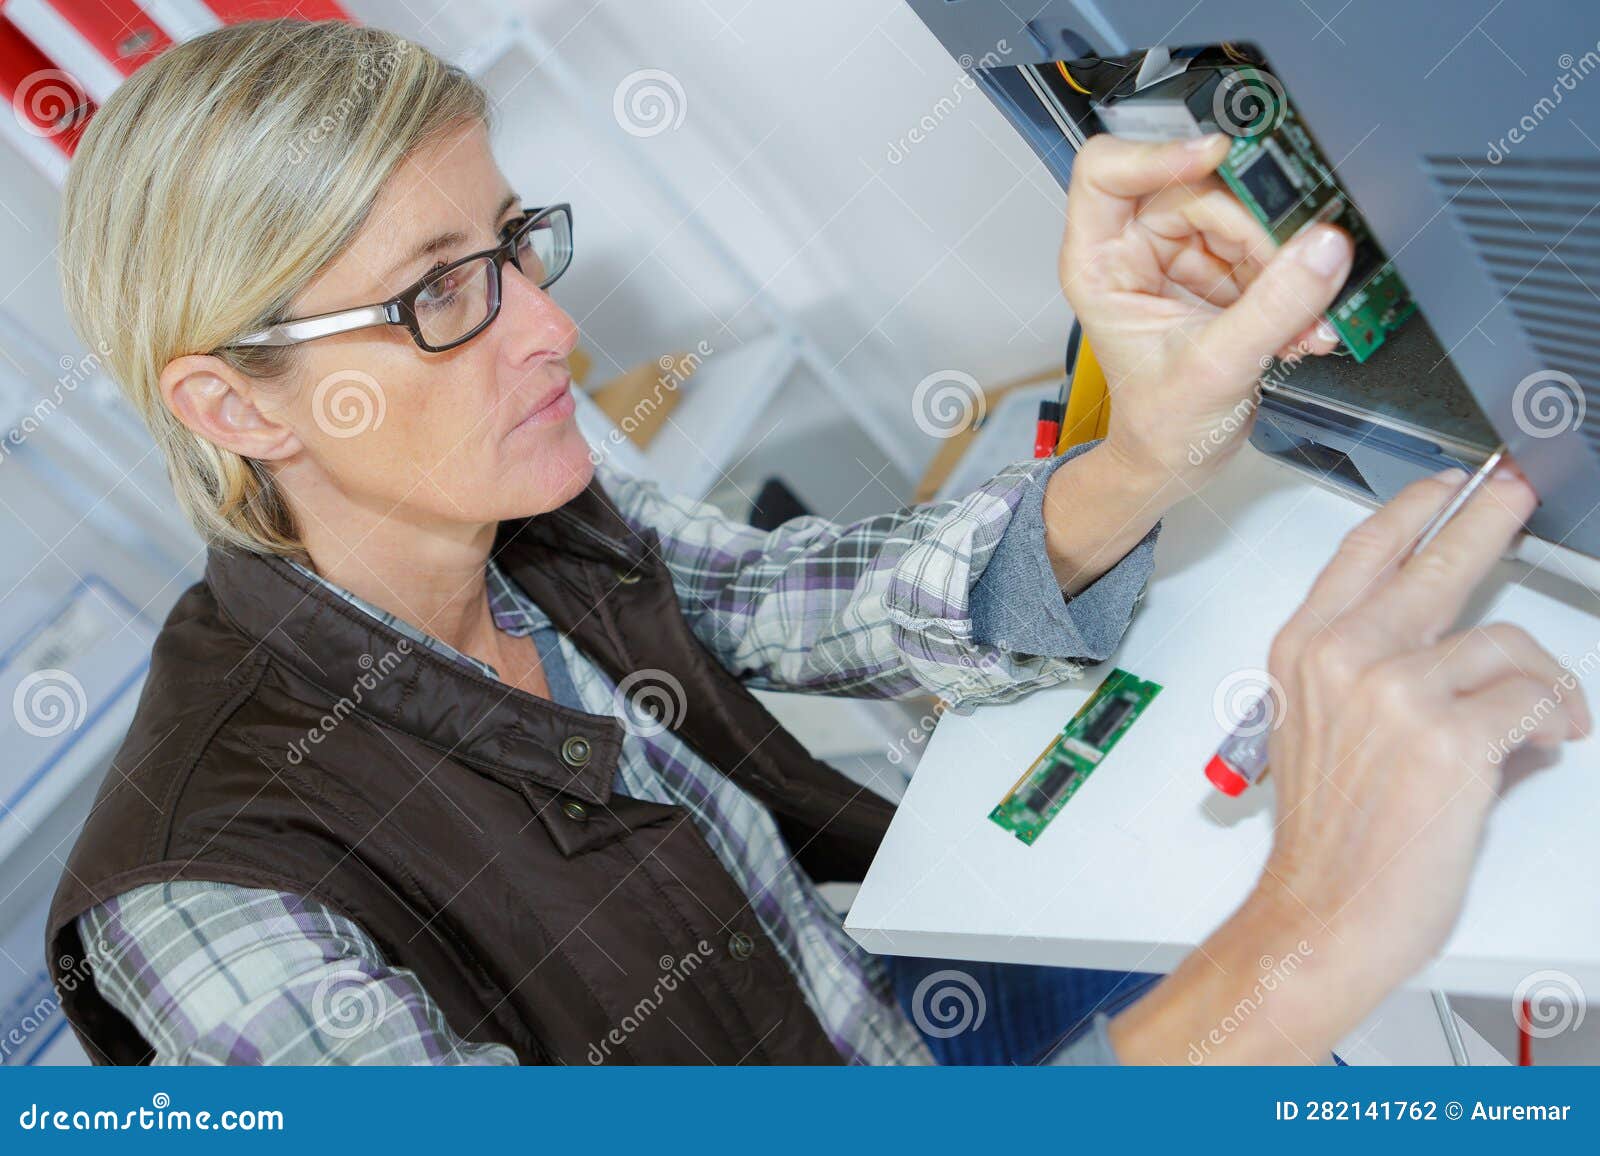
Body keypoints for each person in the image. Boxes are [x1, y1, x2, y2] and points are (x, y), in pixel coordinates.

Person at [45, 20, 1583, 1067]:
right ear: (234, 408)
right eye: (443, 294)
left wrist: (1144, 453)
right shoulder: (215, 902)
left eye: (517, 246)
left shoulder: (527, 517)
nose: (556, 331)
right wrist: (1301, 943)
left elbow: (795, 599)